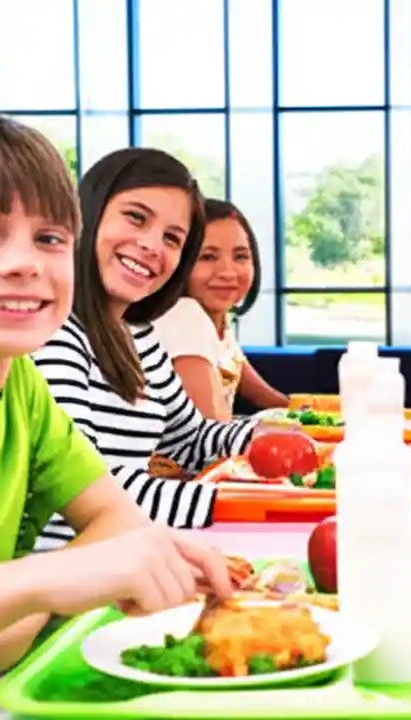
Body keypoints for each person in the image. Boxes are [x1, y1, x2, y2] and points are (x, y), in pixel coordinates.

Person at [0, 111, 231, 716]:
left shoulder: (21, 388)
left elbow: (118, 522)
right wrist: (43, 584)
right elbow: (82, 562)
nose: (24, 263)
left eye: (50, 238)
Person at [31, 148, 258, 547]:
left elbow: (191, 441)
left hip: (123, 558)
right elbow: (89, 485)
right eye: (136, 217)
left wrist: (275, 435)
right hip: (67, 574)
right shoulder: (54, 332)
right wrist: (244, 501)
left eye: (173, 238)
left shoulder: (137, 333)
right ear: (87, 214)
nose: (153, 246)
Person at [154, 199, 288, 419]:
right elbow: (210, 430)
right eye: (208, 257)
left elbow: (262, 395)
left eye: (241, 256)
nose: (228, 272)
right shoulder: (183, 315)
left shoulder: (216, 320)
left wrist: (315, 415)